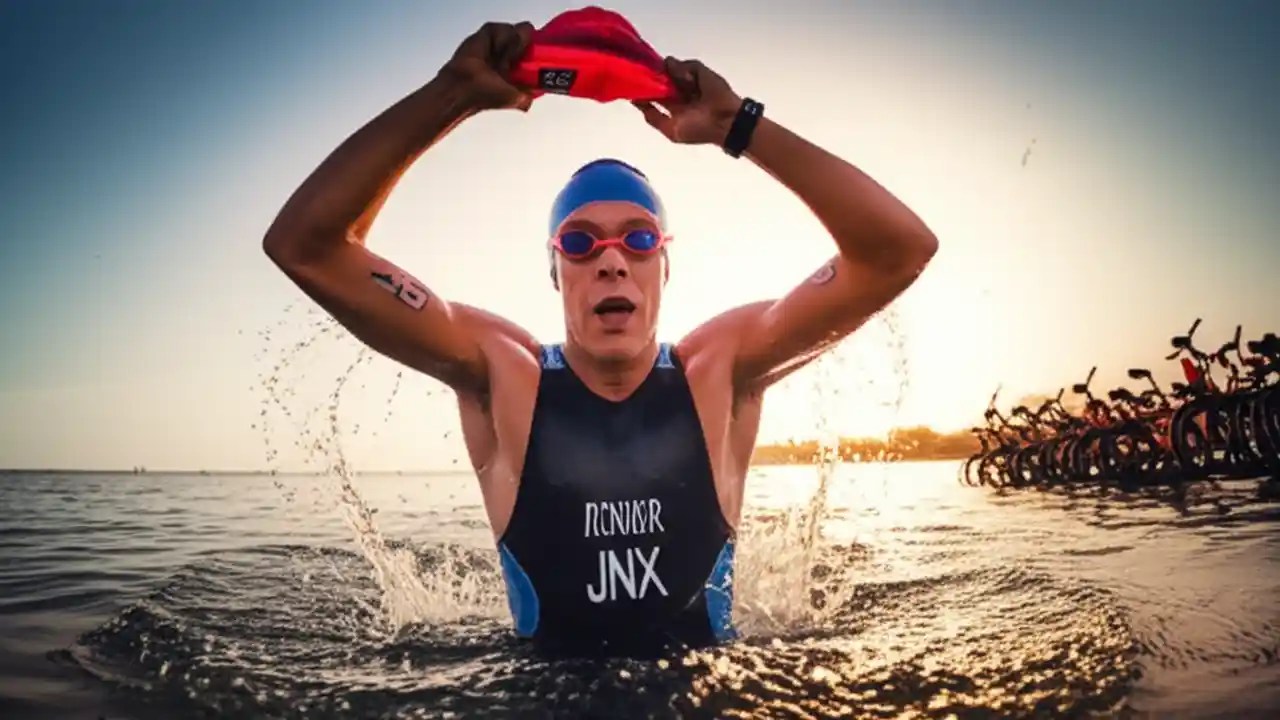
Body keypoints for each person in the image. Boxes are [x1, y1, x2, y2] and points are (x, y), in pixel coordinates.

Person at [263, 20, 937, 657]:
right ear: (555, 271)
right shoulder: (503, 372)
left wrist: (739, 126)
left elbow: (898, 250)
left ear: (663, 266)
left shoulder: (719, 368)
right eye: (581, 243)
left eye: (638, 239)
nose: (611, 260)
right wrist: (452, 95)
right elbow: (307, 247)